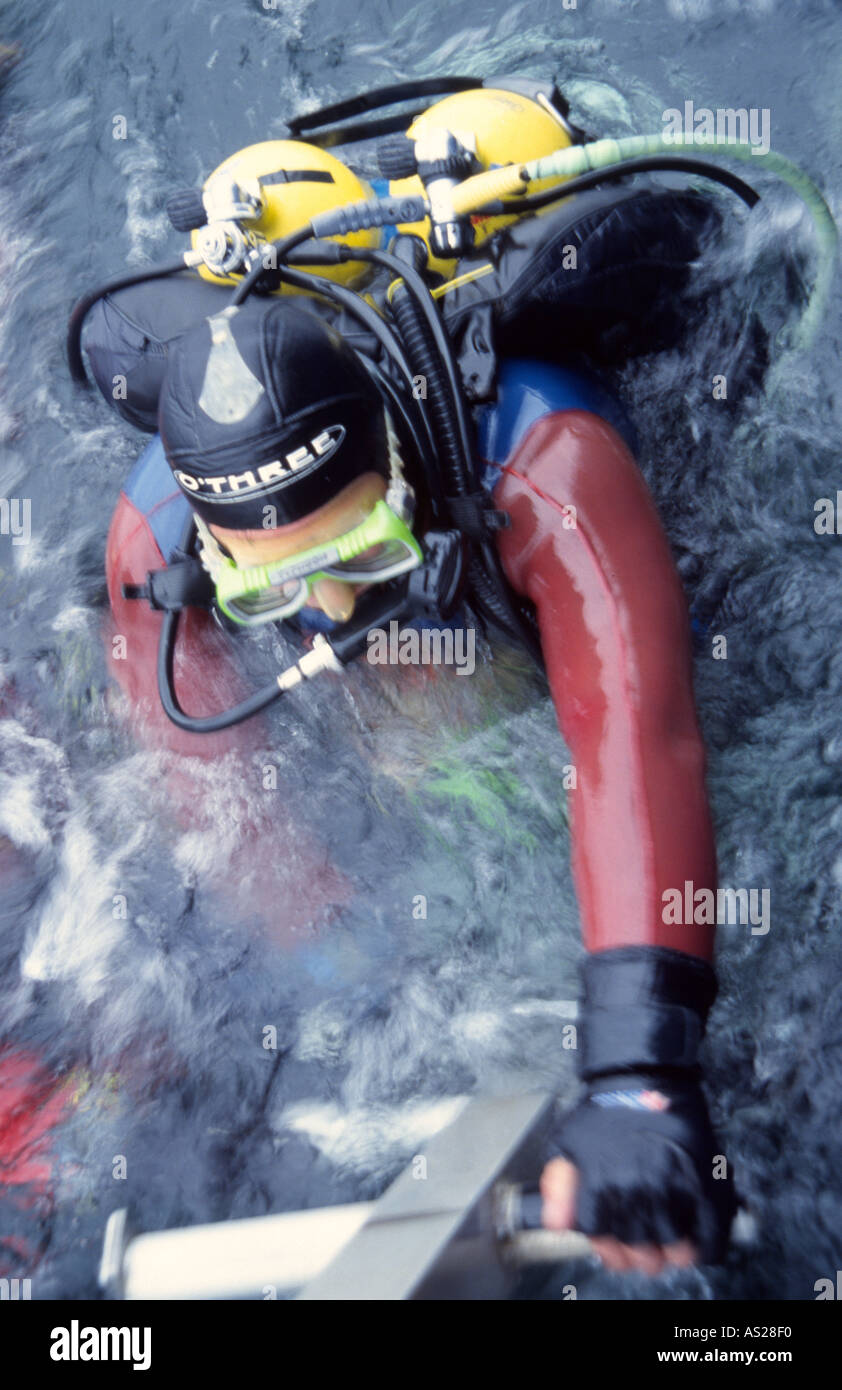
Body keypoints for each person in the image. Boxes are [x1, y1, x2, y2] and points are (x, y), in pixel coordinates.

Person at [71, 74, 827, 1280]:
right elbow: (202, 780)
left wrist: (637, 1072)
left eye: (356, 555)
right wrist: (343, 992)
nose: (322, 612)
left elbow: (636, 732)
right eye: (270, 588)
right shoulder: (151, 547)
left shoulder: (551, 461)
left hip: (521, 503)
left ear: (402, 473)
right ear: (210, 548)